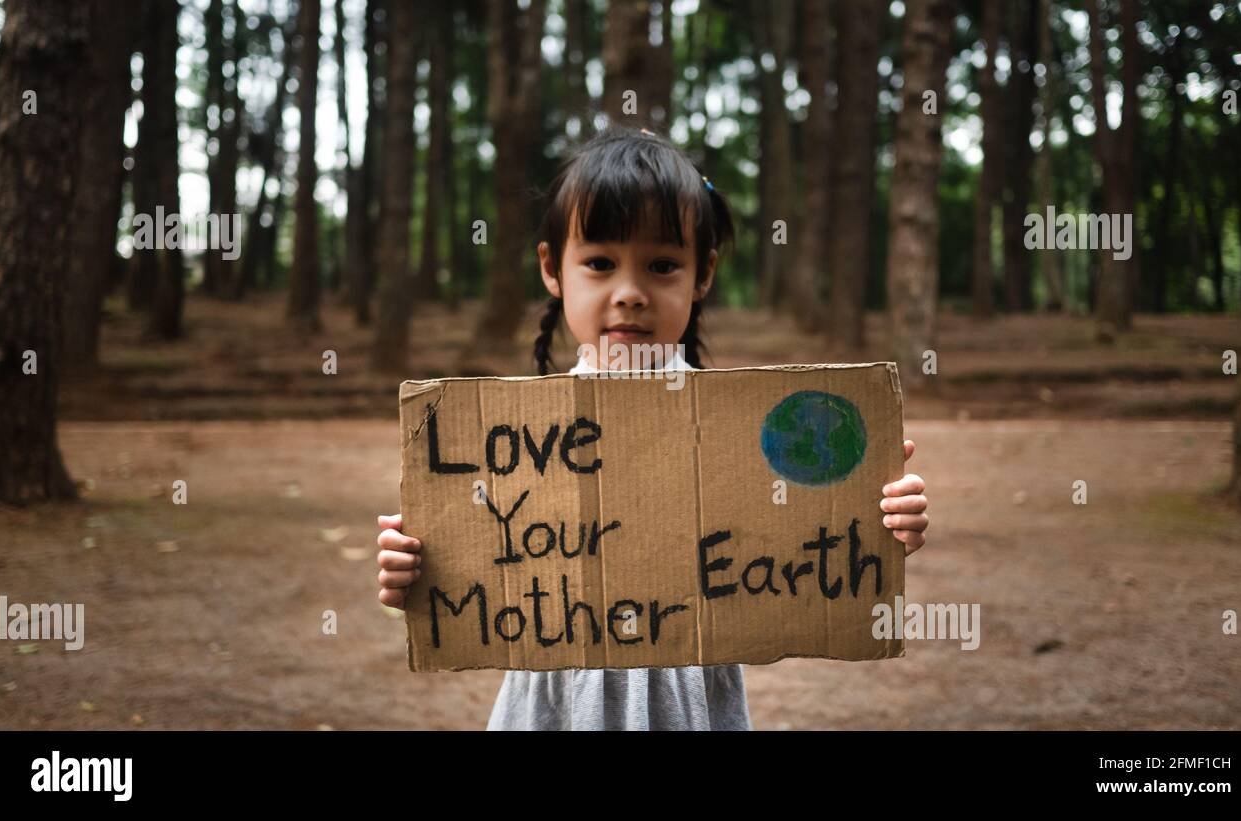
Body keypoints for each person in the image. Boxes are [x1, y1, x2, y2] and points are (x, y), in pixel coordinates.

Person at [375, 126, 930, 730]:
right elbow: (472, 556)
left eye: (662, 265)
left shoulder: (741, 426)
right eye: (600, 263)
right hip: (557, 695)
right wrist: (414, 568)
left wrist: (887, 518)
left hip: (682, 694)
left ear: (702, 274)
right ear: (552, 269)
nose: (630, 293)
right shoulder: (511, 439)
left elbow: (808, 531)